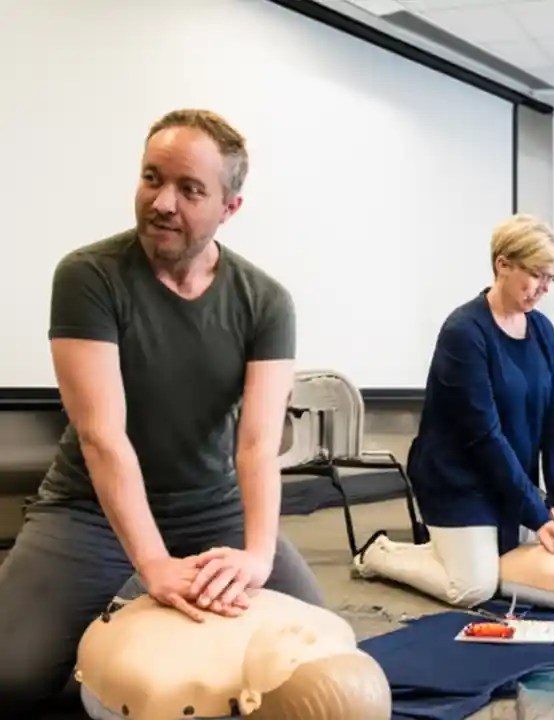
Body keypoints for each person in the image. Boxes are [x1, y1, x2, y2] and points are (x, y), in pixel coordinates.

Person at [0, 109, 323, 711]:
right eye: (152, 178)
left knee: (314, 657)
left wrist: (256, 553)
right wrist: (152, 563)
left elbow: (256, 442)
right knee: (12, 677)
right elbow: (102, 436)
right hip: (86, 511)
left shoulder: (266, 301)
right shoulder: (88, 276)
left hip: (213, 505)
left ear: (230, 207)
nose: (163, 202)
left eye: (190, 189)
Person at [352, 215, 554, 608]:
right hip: (457, 478)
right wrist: (537, 514)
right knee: (474, 587)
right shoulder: (464, 332)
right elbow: (483, 435)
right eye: (536, 275)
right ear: (502, 264)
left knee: (537, 558)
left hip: (507, 475)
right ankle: (381, 553)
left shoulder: (544, 331)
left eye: (551, 279)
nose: (543, 289)